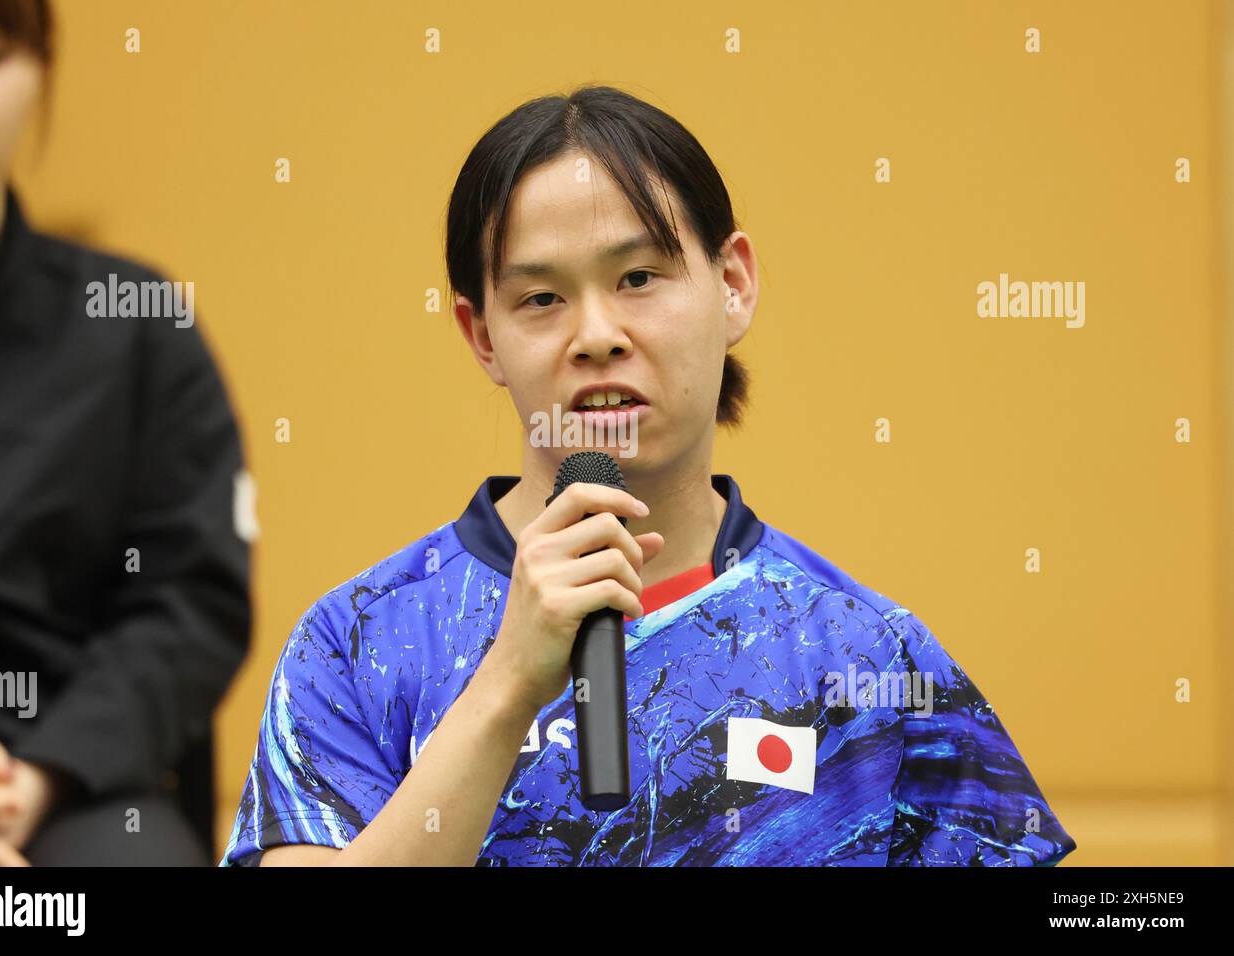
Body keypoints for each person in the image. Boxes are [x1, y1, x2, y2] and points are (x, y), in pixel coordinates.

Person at [221, 85, 1075, 867]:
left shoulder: (866, 654)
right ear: (482, 337)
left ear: (733, 283)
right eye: (541, 299)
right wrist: (510, 682)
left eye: (638, 278)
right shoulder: (356, 642)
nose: (596, 333)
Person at [0, 0, 251, 866]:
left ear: (43, 73)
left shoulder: (135, 327)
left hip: (70, 787)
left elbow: (191, 603)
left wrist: (30, 782)